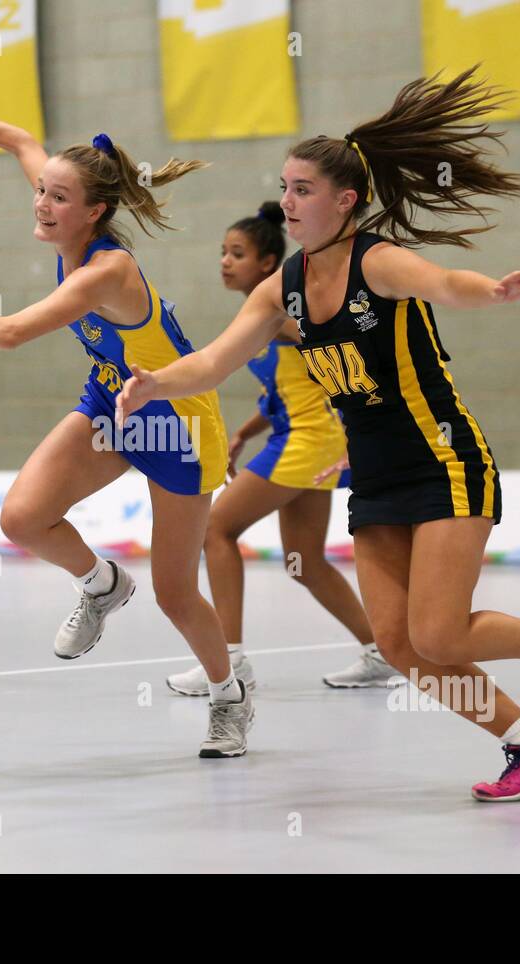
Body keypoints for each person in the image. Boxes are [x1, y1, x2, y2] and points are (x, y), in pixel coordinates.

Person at [118, 70, 520, 800]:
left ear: (345, 200)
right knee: (399, 645)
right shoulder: (282, 287)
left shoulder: (377, 263)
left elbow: (444, 282)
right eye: (285, 188)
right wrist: (157, 382)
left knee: (440, 634)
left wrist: (493, 290)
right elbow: (216, 360)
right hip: (376, 479)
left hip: (443, 459)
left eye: (303, 190)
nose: (288, 202)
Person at [0, 103, 254, 758]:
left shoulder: (107, 271)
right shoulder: (65, 216)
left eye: (58, 198)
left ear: (94, 212)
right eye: (41, 191)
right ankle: (101, 584)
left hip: (175, 423)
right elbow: (16, 137)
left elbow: (11, 332)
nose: (42, 203)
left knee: (176, 594)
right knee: (23, 518)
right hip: (111, 398)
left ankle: (230, 696)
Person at [166, 202, 395, 696]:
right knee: (304, 561)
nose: (225, 261)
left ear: (268, 262)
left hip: (307, 442)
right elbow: (289, 392)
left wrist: (364, 430)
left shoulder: (289, 314)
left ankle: (228, 662)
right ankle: (382, 653)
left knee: (216, 529)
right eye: (223, 252)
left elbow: (348, 362)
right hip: (306, 440)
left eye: (237, 253)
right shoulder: (263, 310)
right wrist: (244, 433)